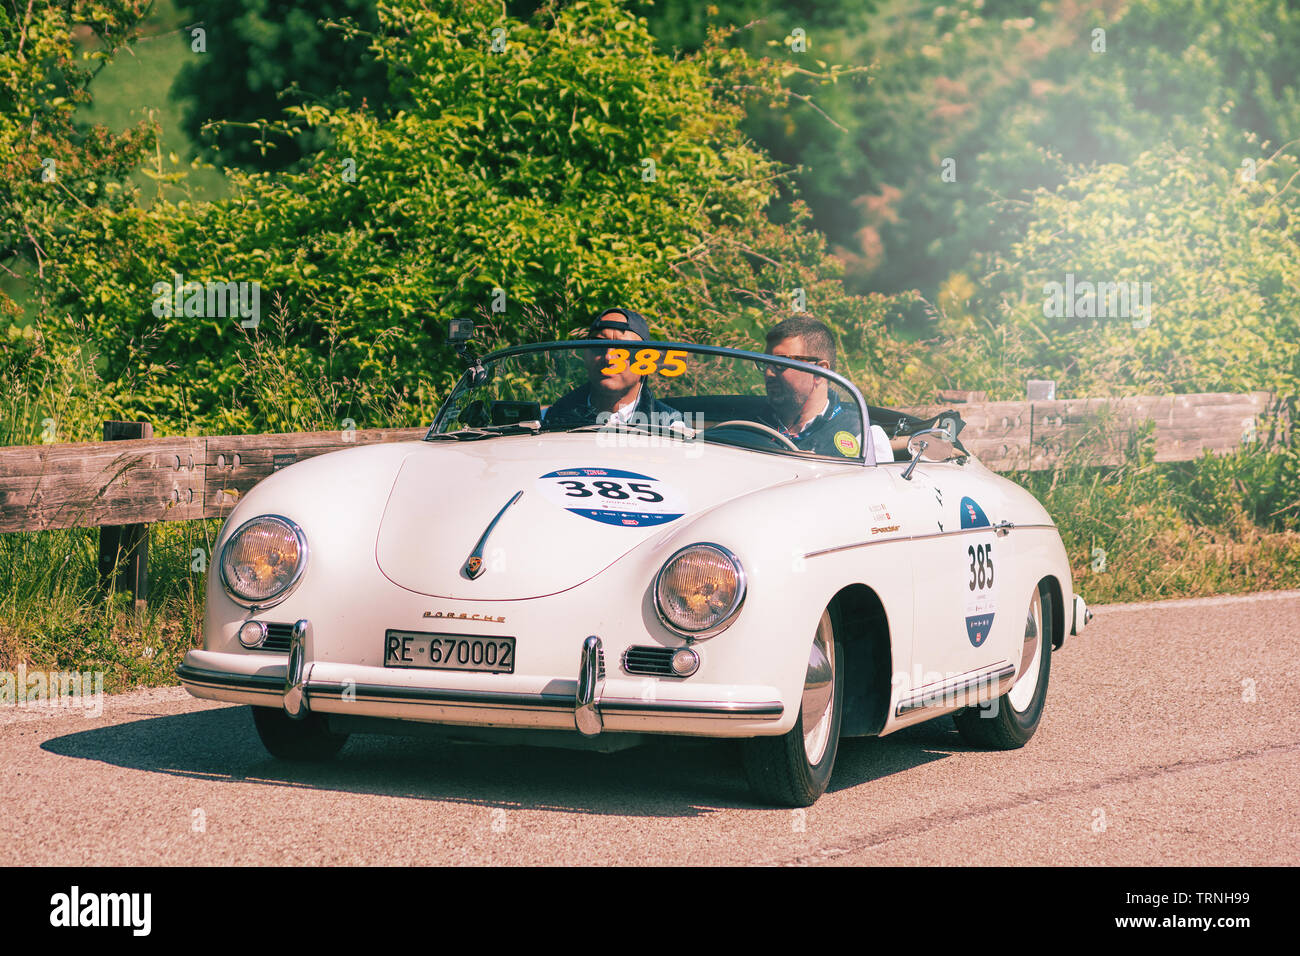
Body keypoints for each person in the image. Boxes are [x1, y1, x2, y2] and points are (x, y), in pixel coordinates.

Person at [762, 315, 899, 460]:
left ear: (819, 372)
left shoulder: (863, 436)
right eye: (765, 363)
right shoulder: (750, 418)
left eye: (780, 364)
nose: (768, 373)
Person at [543, 308, 683, 428]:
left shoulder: (672, 426)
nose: (609, 357)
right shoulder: (549, 419)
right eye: (598, 346)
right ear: (586, 355)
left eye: (624, 349)